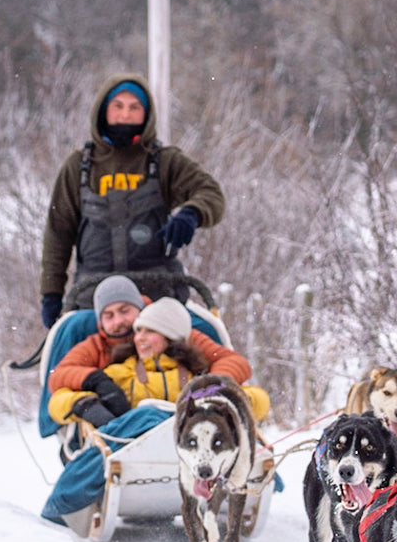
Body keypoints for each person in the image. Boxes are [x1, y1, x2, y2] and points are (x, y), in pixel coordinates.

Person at [39, 73, 225, 327]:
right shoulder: (78, 167)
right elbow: (58, 234)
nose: (125, 115)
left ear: (146, 115)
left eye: (134, 107)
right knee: (66, 357)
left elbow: (211, 194)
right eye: (118, 106)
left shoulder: (165, 162)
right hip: (93, 303)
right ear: (103, 111)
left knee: (208, 342)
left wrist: (192, 213)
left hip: (159, 300)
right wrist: (51, 293)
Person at [46, 275, 264, 428]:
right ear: (100, 322)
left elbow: (233, 361)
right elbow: (59, 377)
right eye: (109, 316)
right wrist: (96, 383)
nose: (119, 321)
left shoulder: (174, 332)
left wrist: (213, 387)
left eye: (125, 311)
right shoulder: (97, 347)